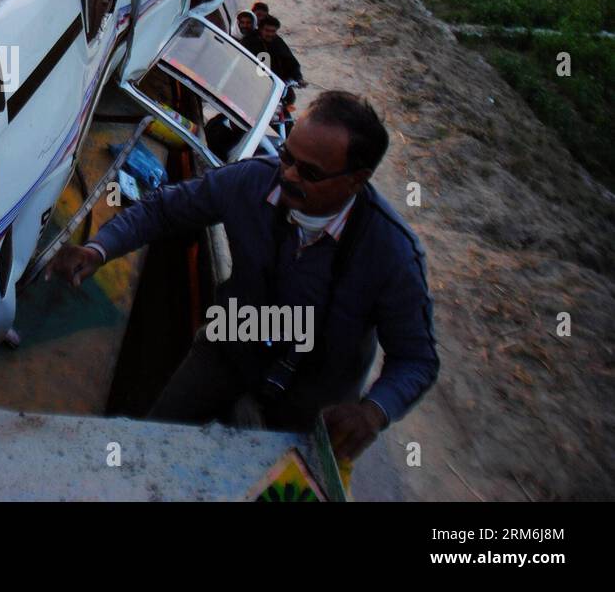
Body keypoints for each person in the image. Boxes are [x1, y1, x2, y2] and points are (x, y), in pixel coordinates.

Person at [48, 91, 438, 459]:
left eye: (310, 172)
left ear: (357, 179)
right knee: (156, 446)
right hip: (227, 350)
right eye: (287, 157)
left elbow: (416, 359)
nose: (288, 175)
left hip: (315, 401)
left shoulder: (393, 253)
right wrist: (99, 248)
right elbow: (164, 210)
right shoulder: (251, 181)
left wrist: (374, 411)